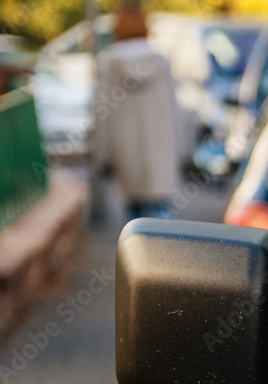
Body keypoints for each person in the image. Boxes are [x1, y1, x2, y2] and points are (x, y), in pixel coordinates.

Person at [93, 1, 179, 220]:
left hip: (126, 155)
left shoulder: (108, 64)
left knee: (134, 232)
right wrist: (184, 152)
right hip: (161, 155)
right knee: (164, 232)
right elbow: (174, 111)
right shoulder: (161, 61)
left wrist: (102, 155)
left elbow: (103, 114)